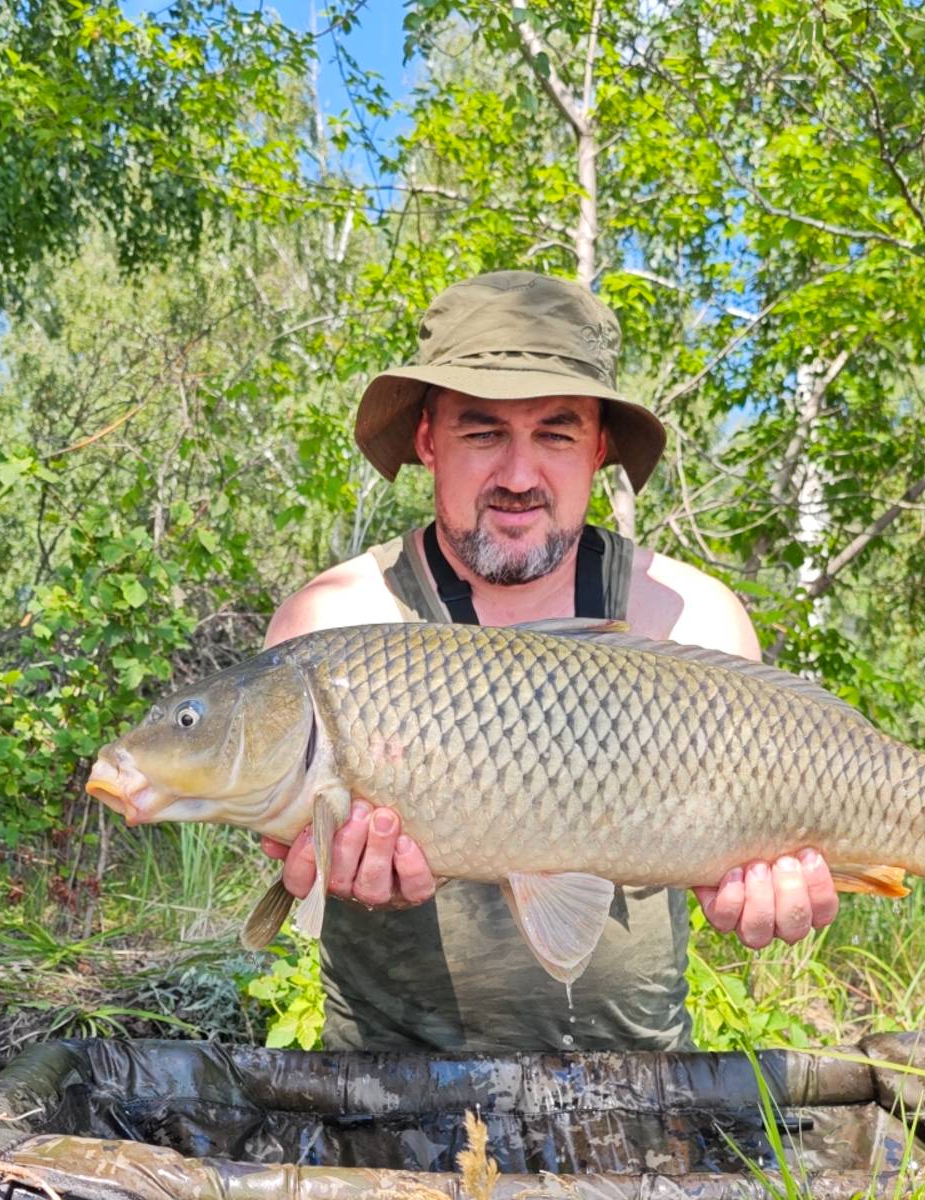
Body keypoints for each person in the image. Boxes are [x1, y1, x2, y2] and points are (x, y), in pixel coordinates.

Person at [258, 270, 838, 1052]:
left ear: (600, 448)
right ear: (428, 438)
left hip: (640, 1105)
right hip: (383, 1103)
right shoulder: (331, 625)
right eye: (482, 431)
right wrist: (318, 876)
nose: (520, 476)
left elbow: (768, 868)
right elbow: (285, 872)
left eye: (556, 434)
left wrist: (770, 890)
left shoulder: (690, 622)